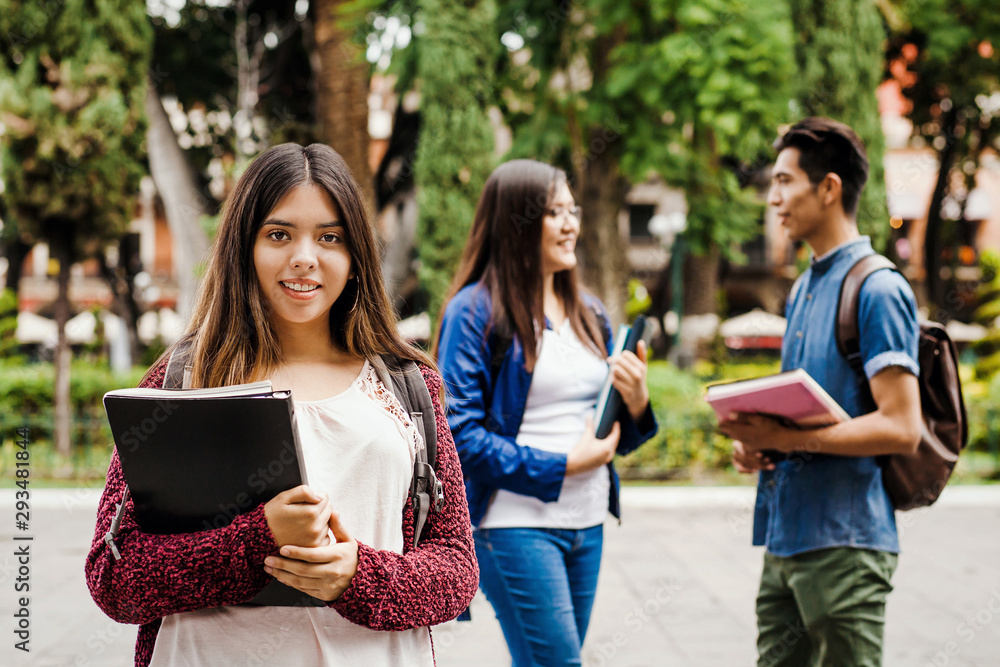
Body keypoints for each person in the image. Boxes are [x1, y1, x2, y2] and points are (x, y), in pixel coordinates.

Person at [85, 143, 478, 667]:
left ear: (356, 255)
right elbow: (114, 576)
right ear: (243, 248)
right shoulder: (182, 379)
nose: (304, 257)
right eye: (278, 234)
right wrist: (256, 542)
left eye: (330, 237)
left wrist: (356, 577)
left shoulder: (409, 385)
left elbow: (457, 569)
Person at [435, 159, 657, 666]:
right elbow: (459, 436)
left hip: (588, 519)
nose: (570, 223)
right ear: (516, 222)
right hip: (512, 525)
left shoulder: (589, 311)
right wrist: (563, 466)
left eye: (572, 209)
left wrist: (638, 402)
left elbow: (608, 428)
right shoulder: (473, 311)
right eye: (554, 211)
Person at [719, 118, 923, 667]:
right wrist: (762, 443)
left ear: (829, 188)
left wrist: (787, 437)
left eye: (785, 181)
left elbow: (903, 428)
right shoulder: (804, 285)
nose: (773, 198)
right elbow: (805, 411)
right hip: (785, 540)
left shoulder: (878, 287)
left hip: (846, 545)